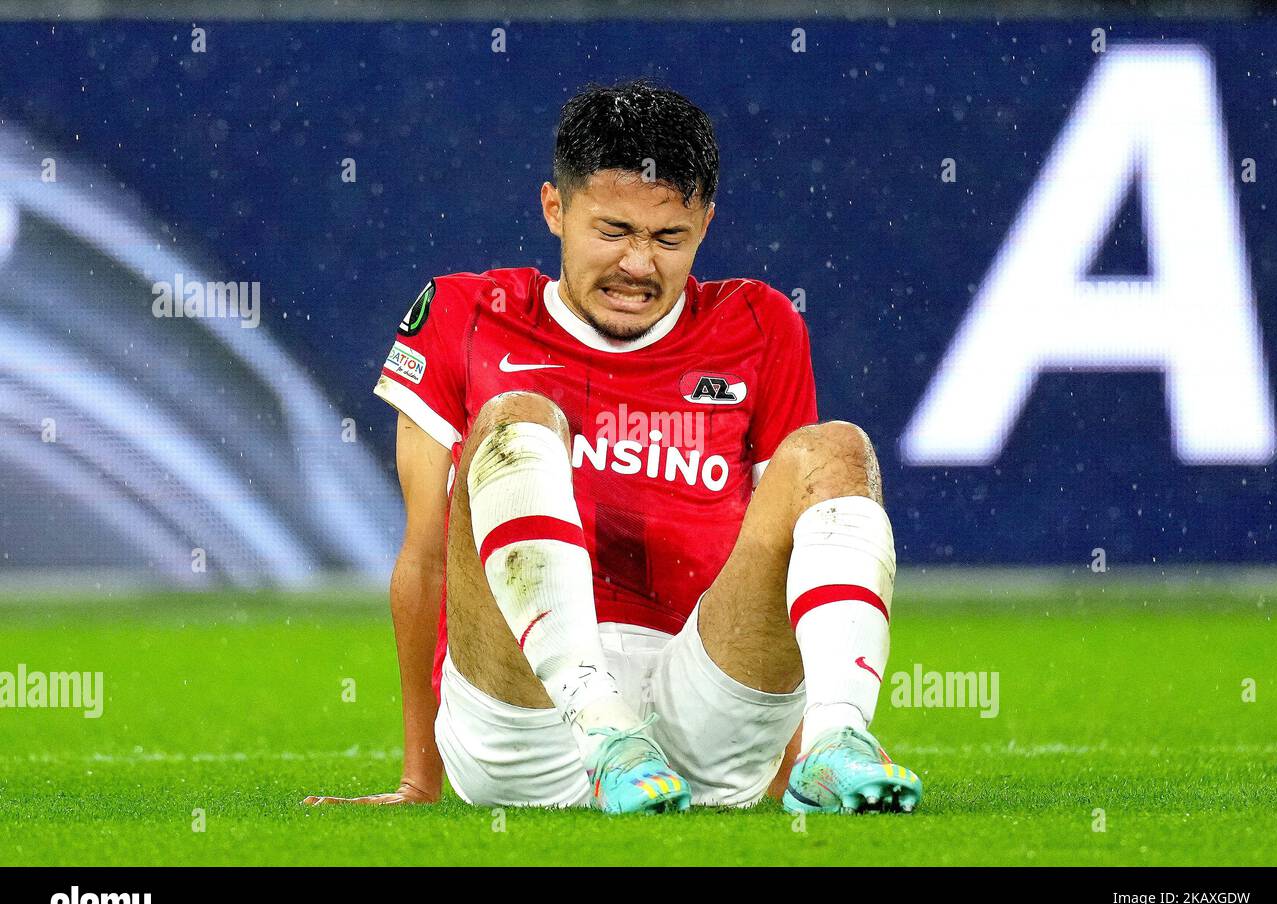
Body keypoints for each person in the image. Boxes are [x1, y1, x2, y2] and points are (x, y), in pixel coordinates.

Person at [305, 80, 921, 815]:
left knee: (838, 452)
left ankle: (836, 743)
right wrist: (418, 782)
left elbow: (788, 547)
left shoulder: (760, 325)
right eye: (613, 231)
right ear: (554, 209)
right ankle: (602, 731)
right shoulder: (466, 315)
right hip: (523, 720)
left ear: (706, 226)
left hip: (699, 715)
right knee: (516, 418)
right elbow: (426, 559)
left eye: (668, 239)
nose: (638, 265)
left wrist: (786, 756)